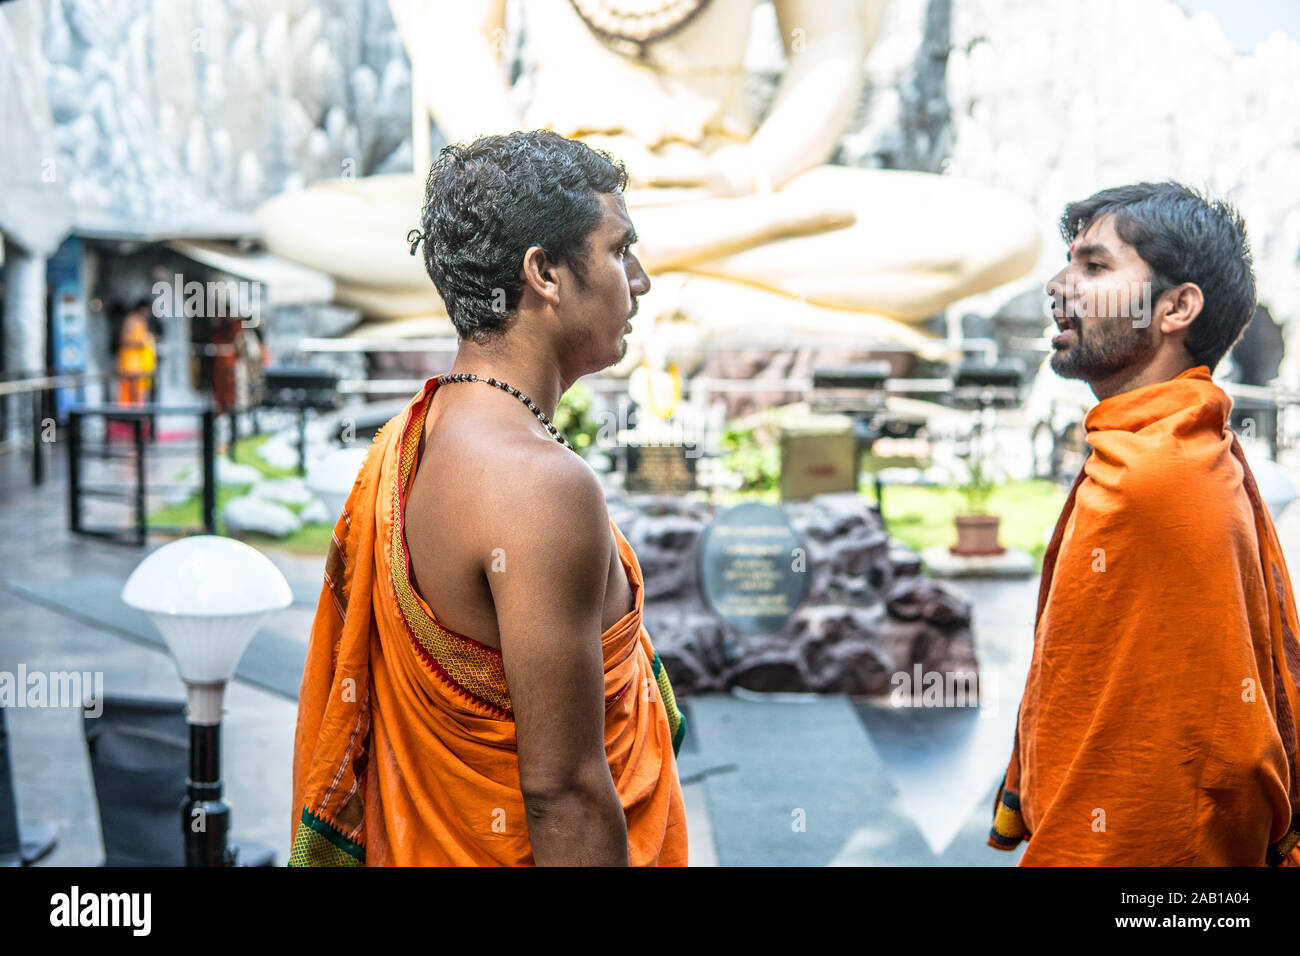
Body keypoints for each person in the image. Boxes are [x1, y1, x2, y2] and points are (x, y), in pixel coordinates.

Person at [291, 130, 688, 866]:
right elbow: (563, 790)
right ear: (545, 273)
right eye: (619, 249)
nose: (640, 278)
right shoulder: (541, 484)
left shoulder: (413, 439)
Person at [989, 182, 1300, 866]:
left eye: (1094, 267)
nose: (1058, 285)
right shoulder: (1163, 447)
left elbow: (1219, 750)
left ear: (1177, 307)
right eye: (1069, 262)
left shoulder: (1161, 477)